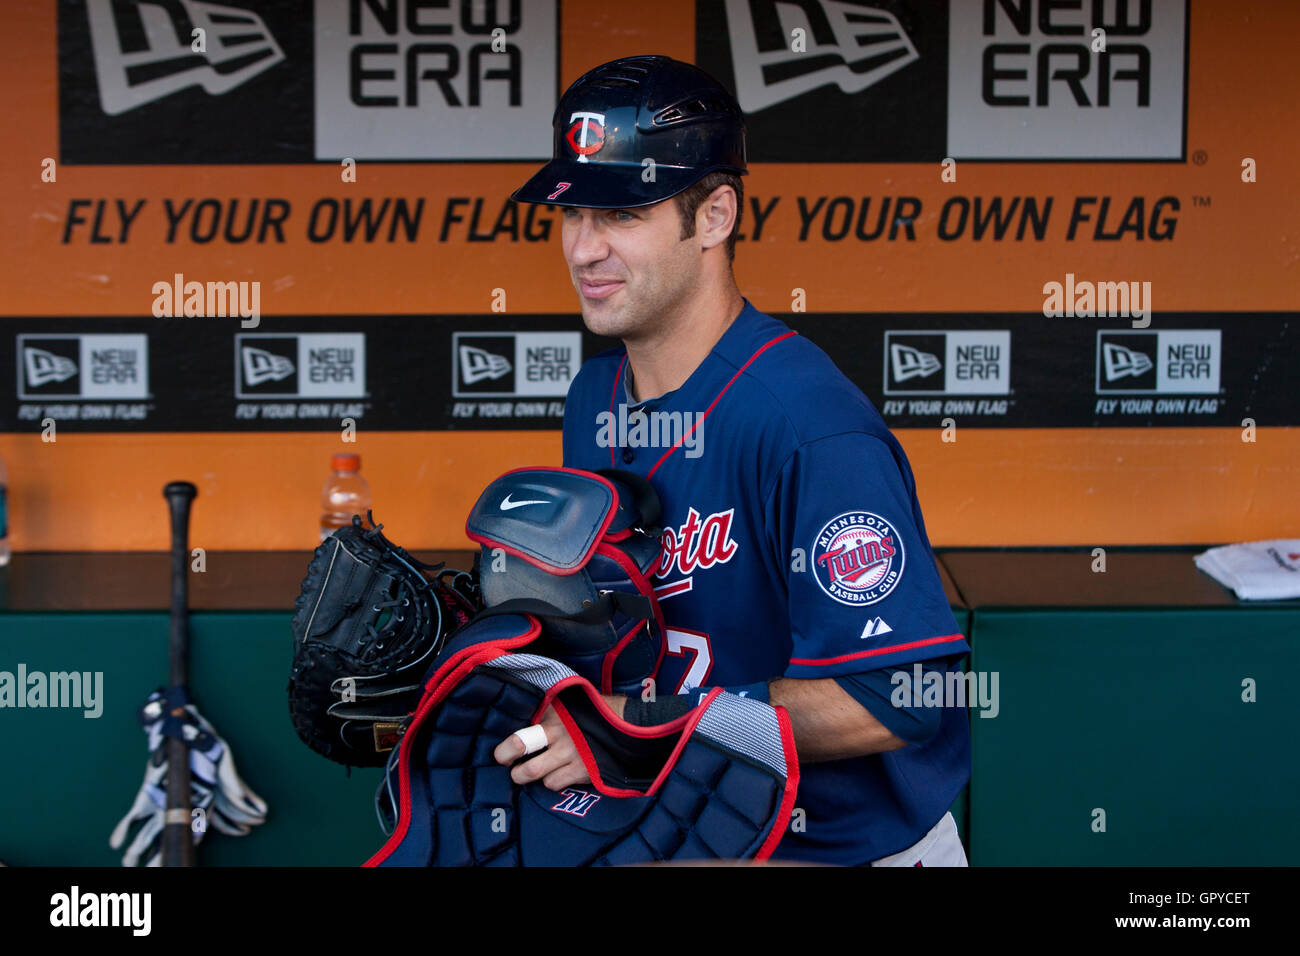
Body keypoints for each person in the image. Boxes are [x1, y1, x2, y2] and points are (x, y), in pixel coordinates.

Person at [493, 55, 970, 866]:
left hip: (842, 852)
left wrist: (632, 729)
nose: (583, 248)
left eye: (622, 214)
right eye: (572, 214)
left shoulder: (807, 424)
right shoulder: (593, 397)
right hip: (686, 835)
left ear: (714, 217)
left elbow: (900, 699)